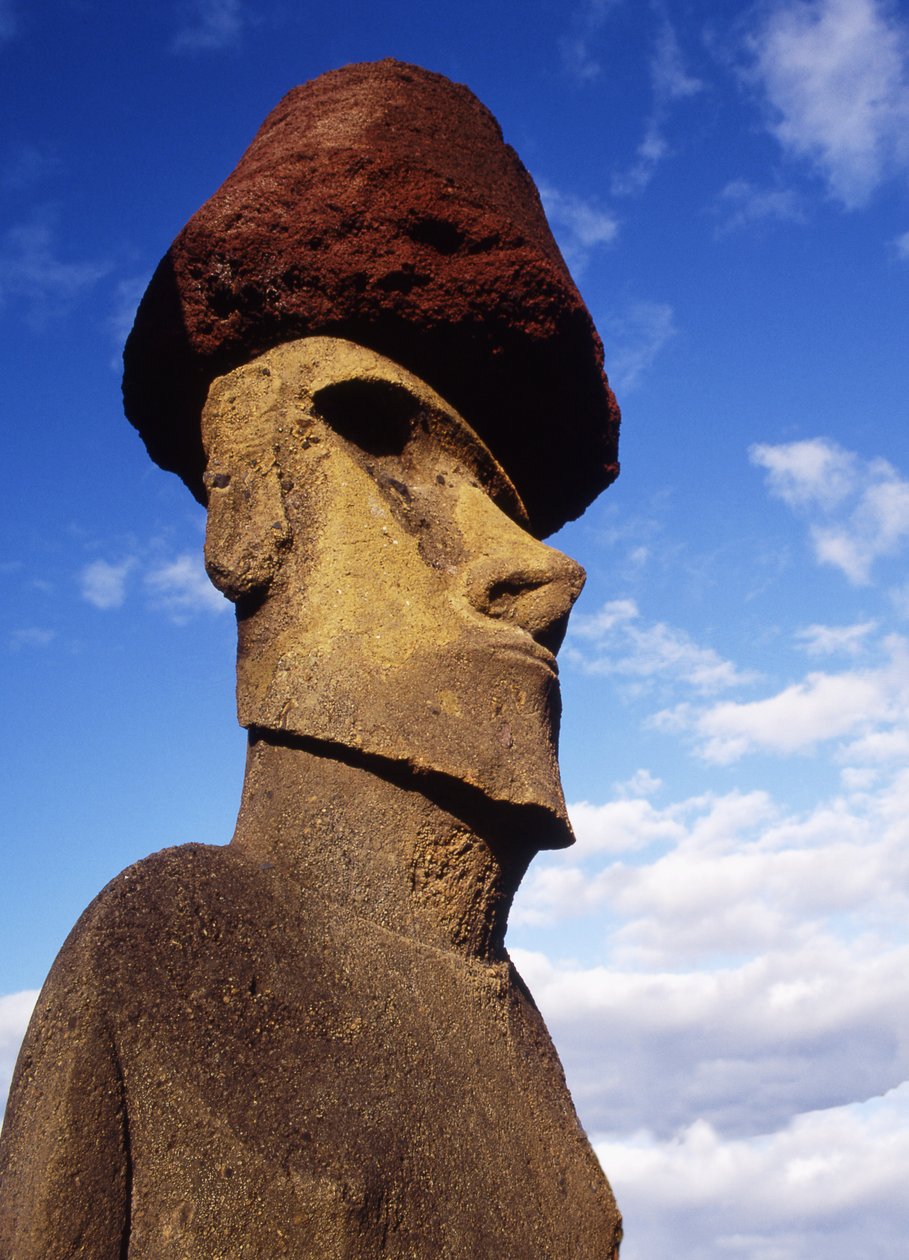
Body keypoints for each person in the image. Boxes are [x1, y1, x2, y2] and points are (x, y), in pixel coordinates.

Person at [0, 62, 623, 1258]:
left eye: (515, 512)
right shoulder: (167, 947)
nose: (542, 573)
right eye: (396, 459)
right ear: (245, 513)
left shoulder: (515, 1028)